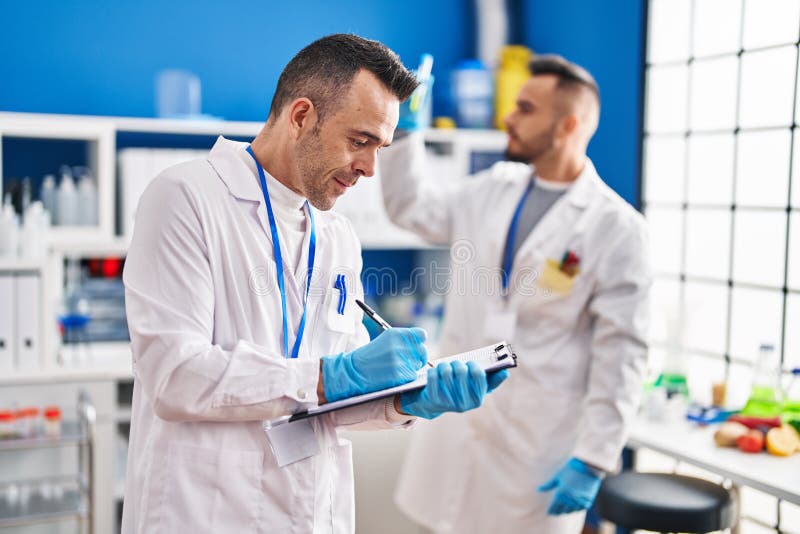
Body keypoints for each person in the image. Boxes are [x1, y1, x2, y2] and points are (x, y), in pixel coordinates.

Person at [121, 34, 508, 534]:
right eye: (360, 141)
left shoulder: (337, 237)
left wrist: (405, 400)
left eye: (380, 148)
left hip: (310, 514)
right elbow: (174, 376)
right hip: (206, 513)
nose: (370, 168)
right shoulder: (185, 198)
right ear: (301, 116)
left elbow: (333, 402)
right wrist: (330, 376)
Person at [382, 55, 651, 533]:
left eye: (525, 108)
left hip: (536, 441)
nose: (508, 117)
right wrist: (405, 135)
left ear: (567, 125)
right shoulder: (494, 187)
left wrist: (594, 459)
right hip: (458, 421)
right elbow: (412, 209)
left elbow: (623, 351)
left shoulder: (615, 228)